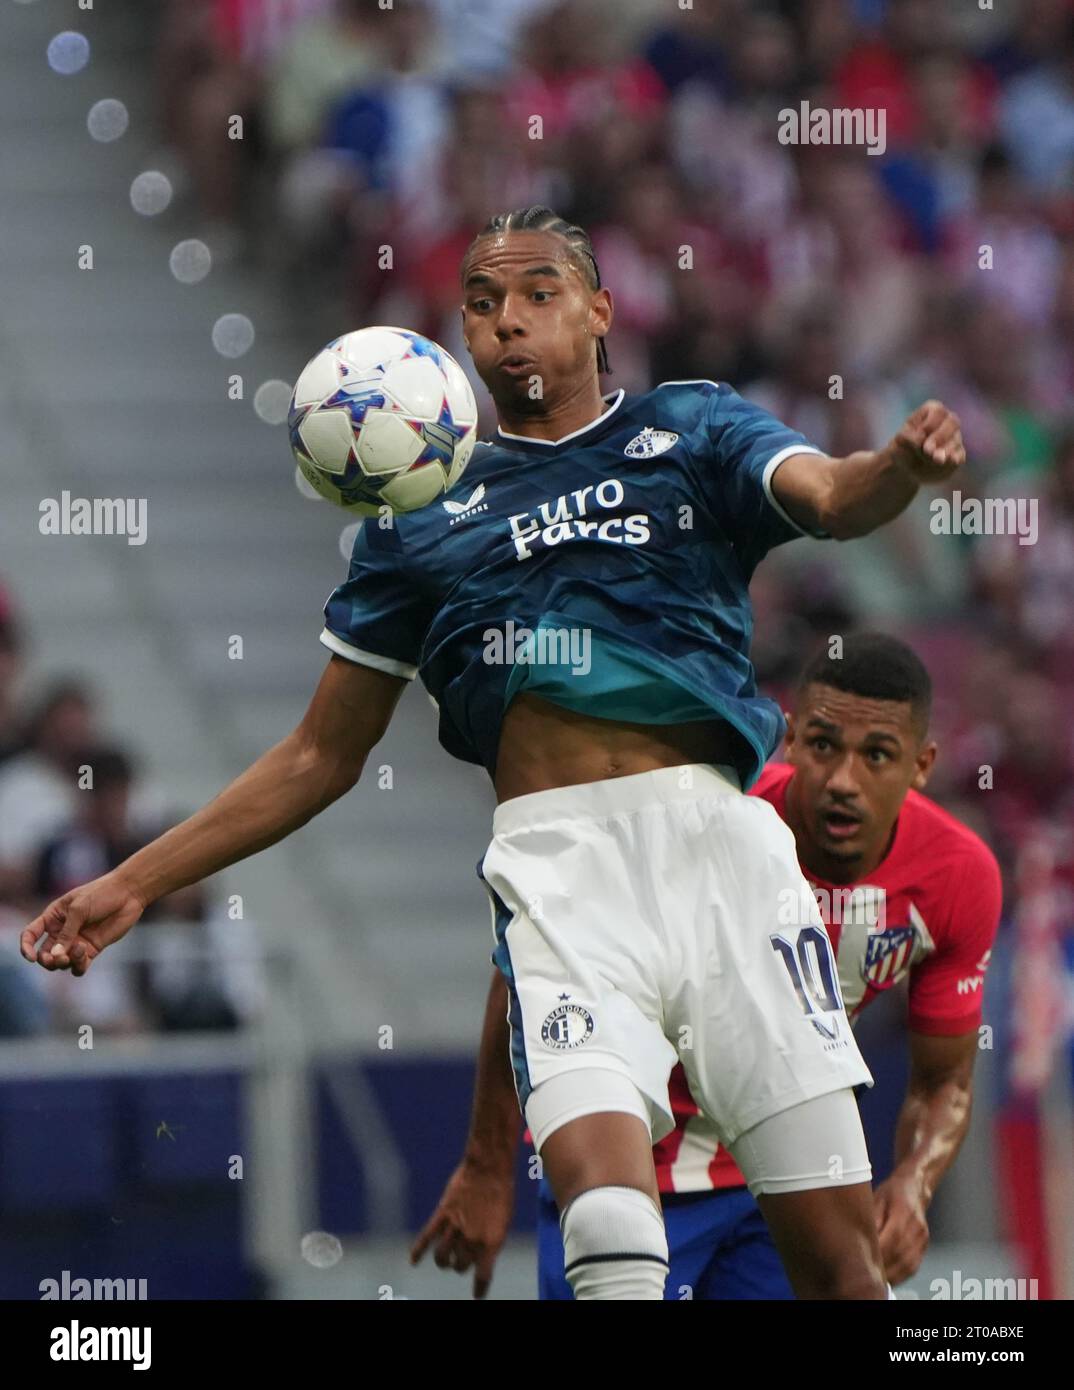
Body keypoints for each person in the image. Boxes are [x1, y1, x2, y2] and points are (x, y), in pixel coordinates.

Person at [22, 206, 967, 1301]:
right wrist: (134, 881)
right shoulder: (417, 517)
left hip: (724, 854)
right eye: (481, 303)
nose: (507, 323)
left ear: (600, 312)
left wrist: (898, 466)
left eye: (536, 295)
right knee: (610, 1228)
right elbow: (319, 755)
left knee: (839, 1269)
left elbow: (836, 497)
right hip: (559, 874)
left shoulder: (692, 429)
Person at [413, 634, 1002, 1298]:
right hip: (641, 1177)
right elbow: (534, 969)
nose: (843, 781)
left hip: (790, 1182)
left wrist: (914, 1183)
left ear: (921, 764)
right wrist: (488, 1166)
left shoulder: (957, 877)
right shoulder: (714, 821)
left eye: (877, 756)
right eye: (822, 745)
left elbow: (944, 1081)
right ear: (789, 738)